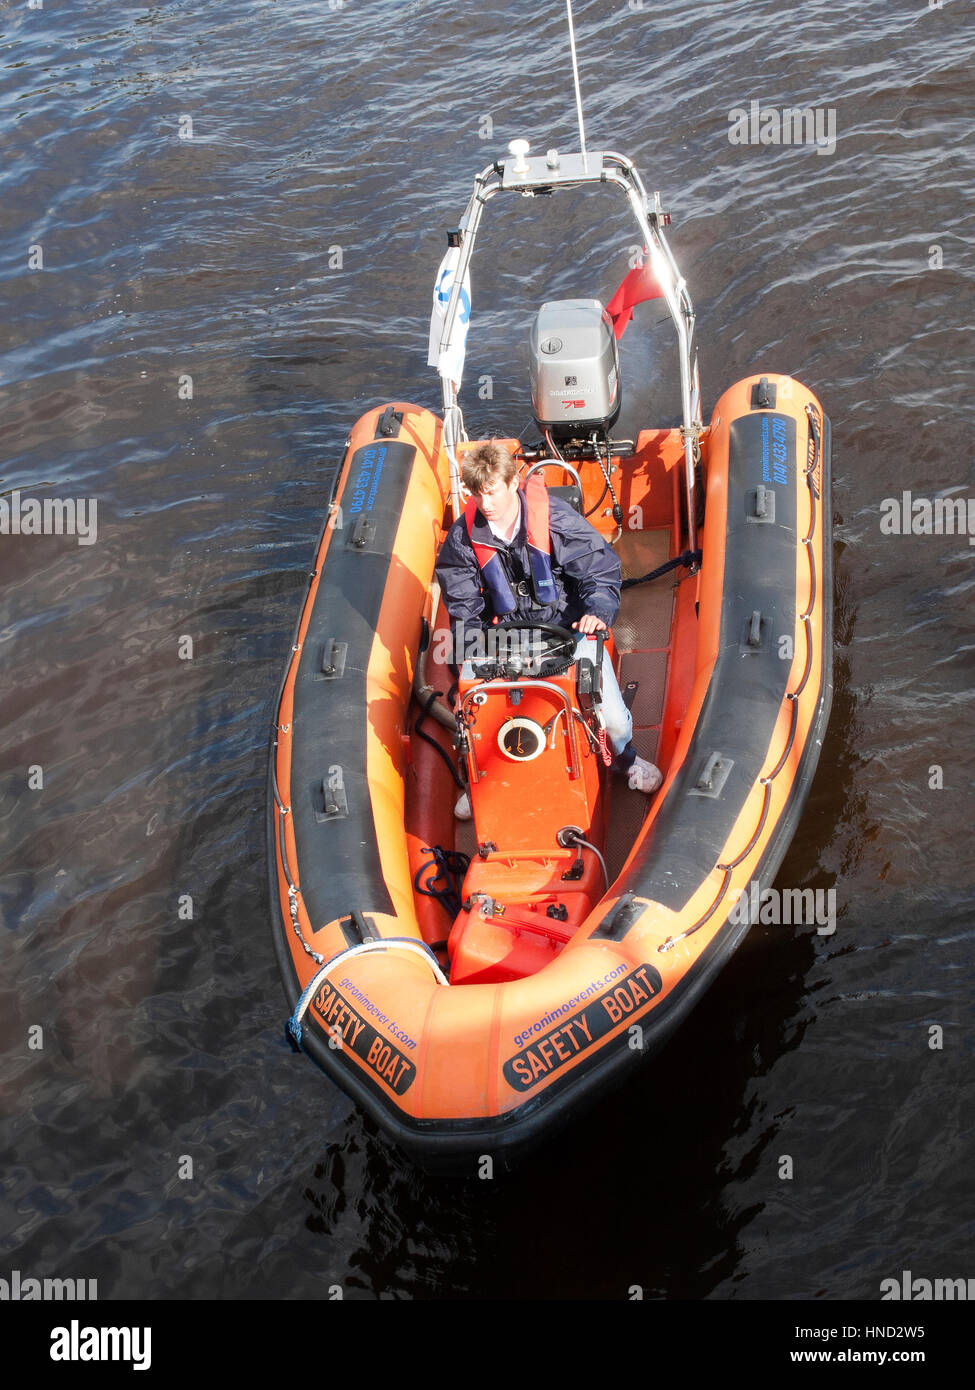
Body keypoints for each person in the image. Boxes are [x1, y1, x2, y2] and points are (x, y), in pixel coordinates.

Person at [435, 441, 662, 817]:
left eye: (492, 491)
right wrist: (468, 669)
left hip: (567, 630)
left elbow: (599, 572)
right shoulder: (462, 541)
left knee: (614, 719)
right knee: (473, 709)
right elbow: (464, 611)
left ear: (512, 484)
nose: (485, 502)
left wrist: (597, 612)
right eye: (477, 494)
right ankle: (479, 780)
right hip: (505, 639)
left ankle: (627, 761)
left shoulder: (555, 519)